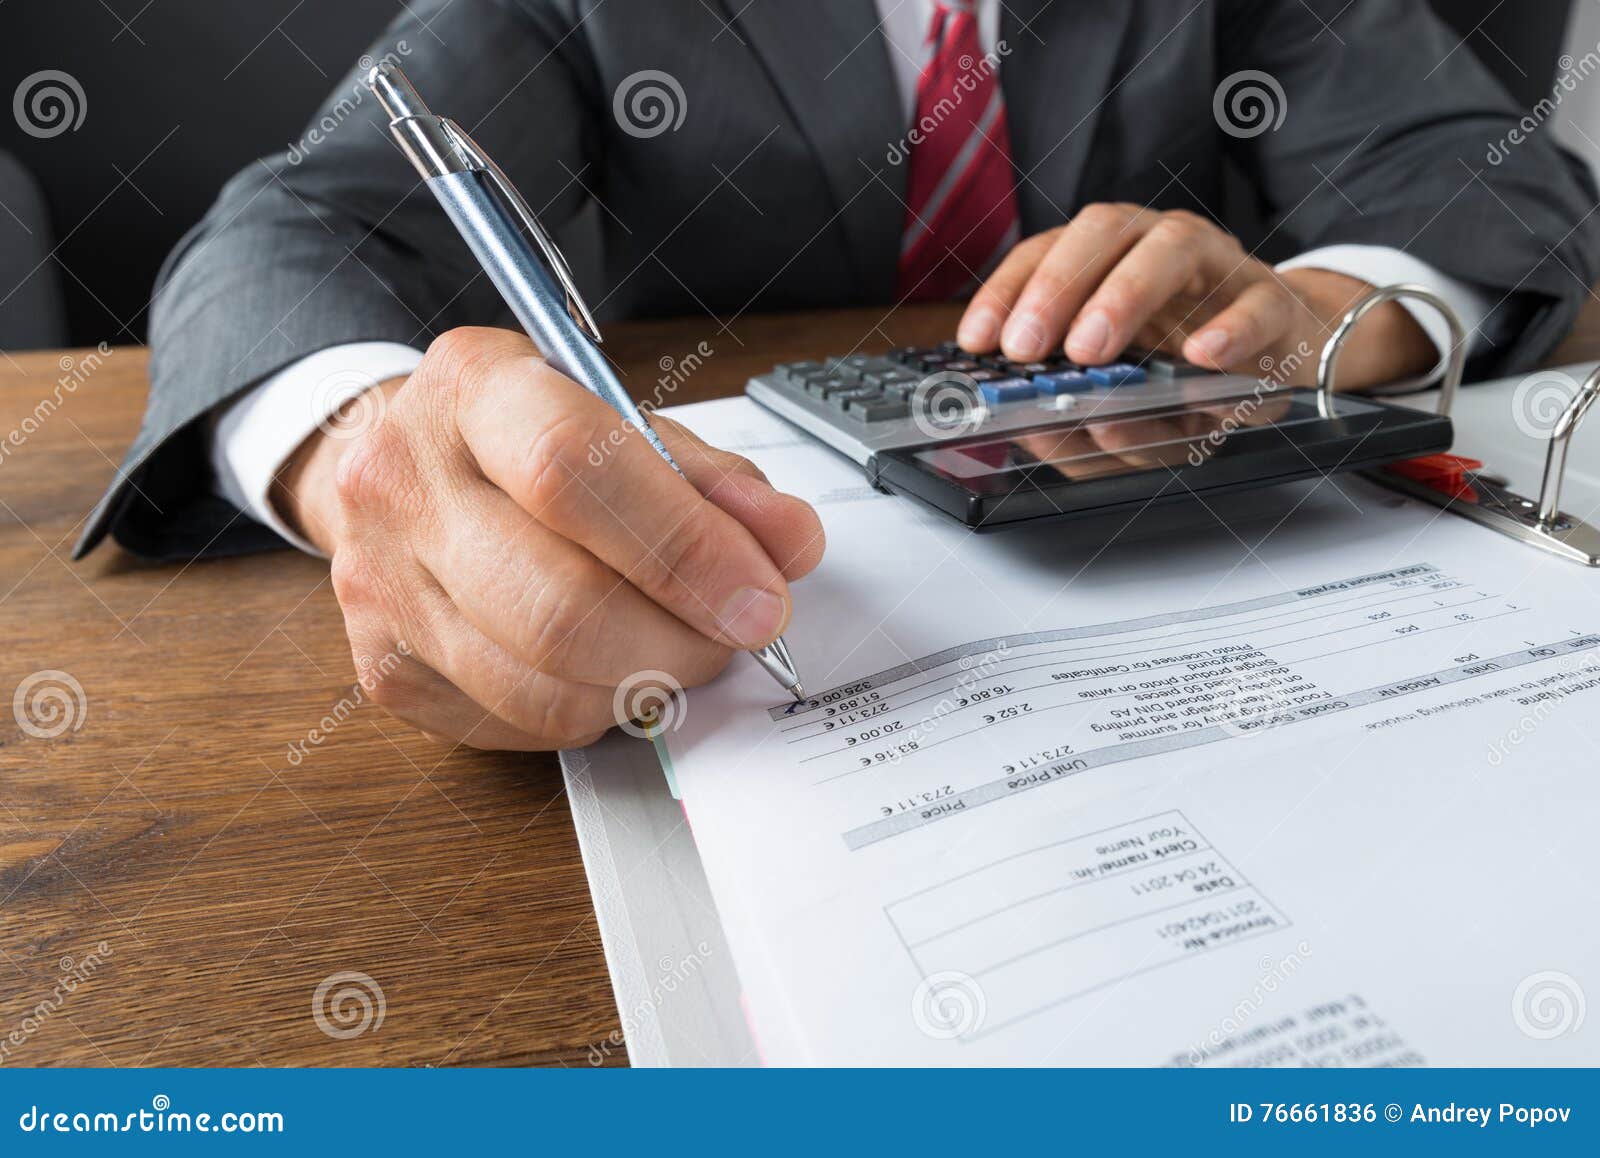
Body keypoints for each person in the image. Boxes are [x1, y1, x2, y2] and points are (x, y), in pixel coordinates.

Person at [76, 0, 1600, 752]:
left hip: (1198, 540)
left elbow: (1488, 169)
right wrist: (359, 443)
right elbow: (292, 224)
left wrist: (1325, 316)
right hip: (750, 556)